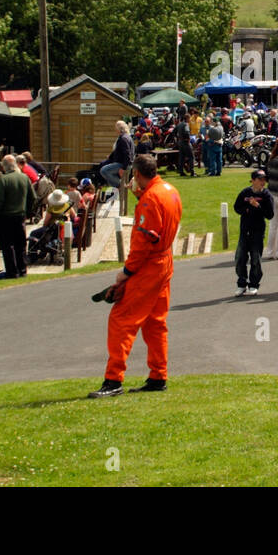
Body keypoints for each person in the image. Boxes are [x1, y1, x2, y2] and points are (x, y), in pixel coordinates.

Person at [88, 153, 182, 398]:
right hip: (165, 261)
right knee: (155, 321)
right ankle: (158, 375)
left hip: (150, 265)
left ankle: (113, 380)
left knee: (122, 319)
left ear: (137, 174)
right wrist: (140, 196)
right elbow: (160, 224)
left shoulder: (150, 199)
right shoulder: (169, 190)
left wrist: (126, 272)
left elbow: (143, 243)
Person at [0, 154, 34, 279]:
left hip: (5, 217)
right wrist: (27, 212)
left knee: (7, 246)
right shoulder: (24, 178)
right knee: (20, 245)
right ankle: (22, 270)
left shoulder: (4, 179)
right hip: (20, 216)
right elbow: (33, 197)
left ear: (4, 167)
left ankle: (12, 271)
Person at [233, 169, 272, 296]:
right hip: (245, 230)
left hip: (258, 231)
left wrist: (258, 207)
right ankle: (242, 283)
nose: (263, 182)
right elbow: (237, 207)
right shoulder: (245, 193)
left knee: (256, 259)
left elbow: (270, 214)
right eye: (260, 179)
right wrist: (246, 209)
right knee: (240, 258)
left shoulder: (266, 195)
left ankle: (254, 284)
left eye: (264, 180)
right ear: (253, 180)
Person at [99, 121, 135, 190]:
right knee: (107, 173)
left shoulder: (123, 139)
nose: (115, 130)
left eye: (115, 127)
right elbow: (117, 151)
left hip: (123, 165)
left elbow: (127, 154)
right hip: (125, 164)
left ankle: (121, 185)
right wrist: (110, 157)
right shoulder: (127, 137)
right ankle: (118, 187)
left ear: (119, 128)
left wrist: (123, 168)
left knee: (104, 171)